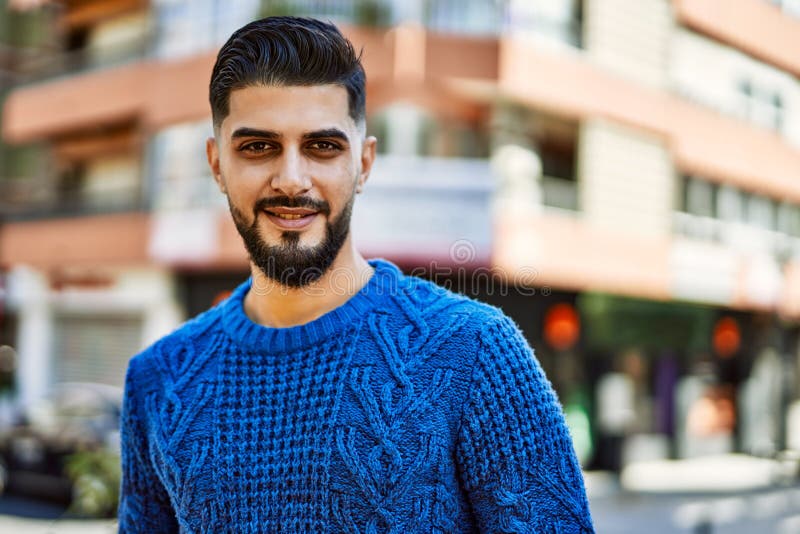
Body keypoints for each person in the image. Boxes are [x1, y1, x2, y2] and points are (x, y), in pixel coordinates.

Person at [117, 16, 594, 533]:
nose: (292, 179)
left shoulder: (476, 351)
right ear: (216, 165)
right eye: (258, 147)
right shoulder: (157, 380)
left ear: (364, 164)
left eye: (323, 146)